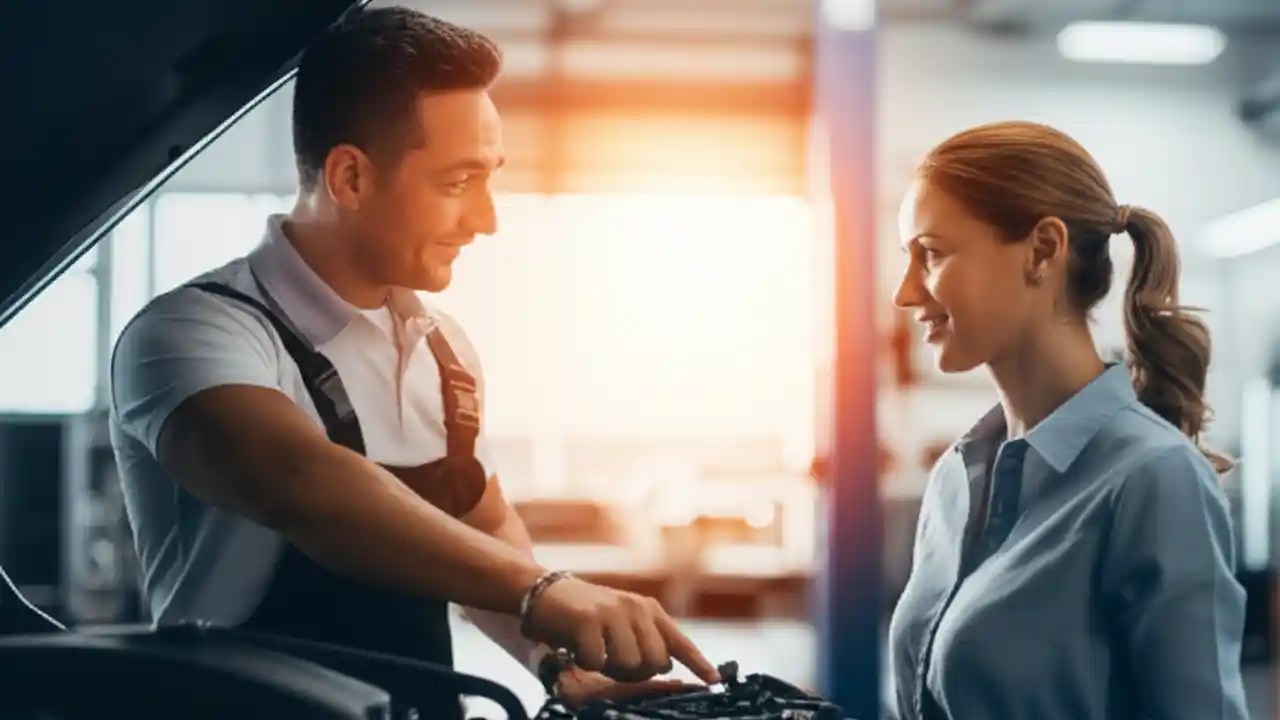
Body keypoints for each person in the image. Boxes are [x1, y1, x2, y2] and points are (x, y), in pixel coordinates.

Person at [108, 6, 718, 713]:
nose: (486, 219)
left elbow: (481, 530)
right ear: (351, 178)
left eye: (490, 179)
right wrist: (545, 592)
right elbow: (301, 484)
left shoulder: (444, 350)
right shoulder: (192, 333)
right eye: (458, 183)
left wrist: (554, 661)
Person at [887, 120, 1249, 720]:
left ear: (1043, 251)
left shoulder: (1154, 480)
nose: (904, 293)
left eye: (931, 254)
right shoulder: (957, 477)